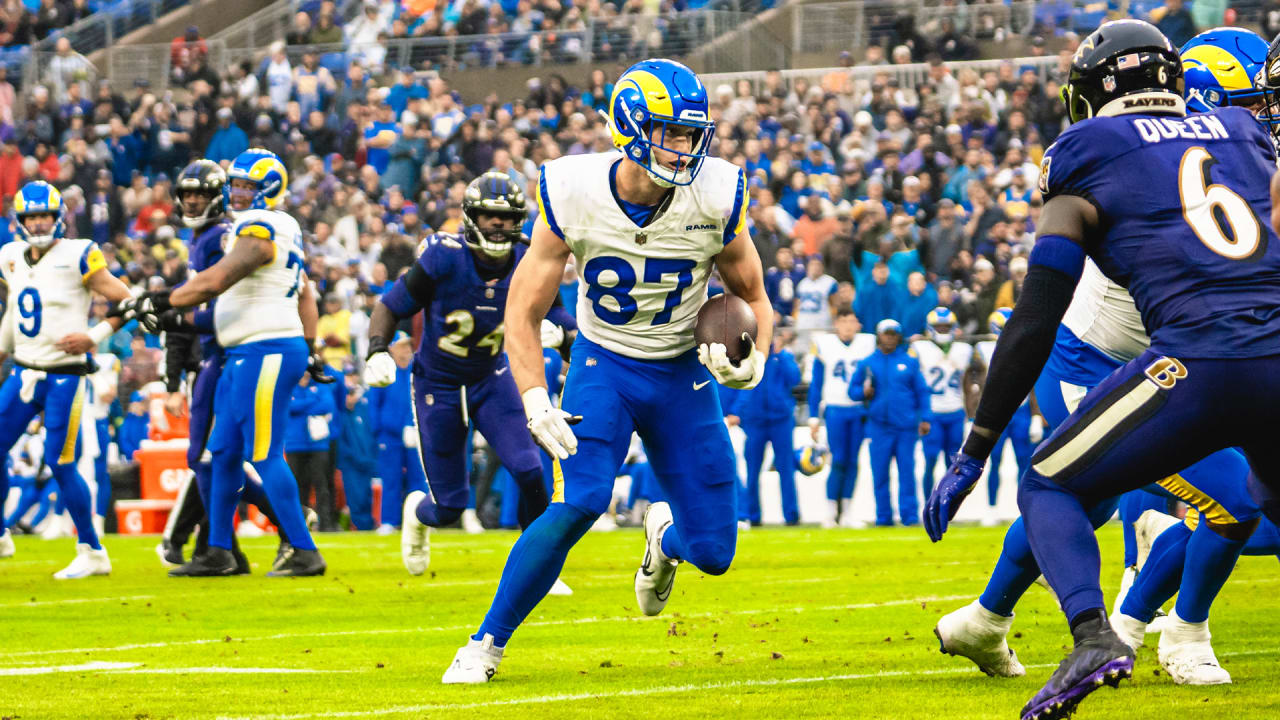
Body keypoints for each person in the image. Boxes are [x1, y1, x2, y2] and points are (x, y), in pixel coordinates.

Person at [924, 21, 1280, 719]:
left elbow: (1032, 314)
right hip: (1109, 358)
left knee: (1055, 484)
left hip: (1186, 364)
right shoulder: (1243, 140)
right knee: (1202, 502)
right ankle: (1141, 625)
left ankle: (1091, 632)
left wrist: (976, 447)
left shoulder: (1085, 151)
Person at [442, 59, 772, 683]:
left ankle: (664, 540)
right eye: (670, 133)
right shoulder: (574, 188)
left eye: (691, 135)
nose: (684, 148)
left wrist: (753, 361)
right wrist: (536, 396)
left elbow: (753, 297)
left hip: (683, 372)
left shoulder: (717, 192)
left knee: (715, 553)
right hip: (604, 362)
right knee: (581, 499)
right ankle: (485, 643)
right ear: (628, 126)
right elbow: (524, 307)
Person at [119, 148, 330, 577]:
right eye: (234, 184)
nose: (236, 192)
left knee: (266, 454)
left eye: (247, 186)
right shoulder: (272, 225)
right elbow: (303, 291)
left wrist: (162, 299)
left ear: (268, 189)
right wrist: (309, 346)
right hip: (248, 351)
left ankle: (304, 549)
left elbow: (217, 279)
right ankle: (217, 550)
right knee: (221, 453)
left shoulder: (261, 226)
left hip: (264, 348)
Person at [363, 172, 574, 582]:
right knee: (450, 507)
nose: (499, 226)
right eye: (489, 217)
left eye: (507, 217)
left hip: (492, 376)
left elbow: (561, 316)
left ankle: (536, 569)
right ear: (470, 217)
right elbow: (390, 306)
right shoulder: (443, 256)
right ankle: (418, 514)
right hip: (437, 382)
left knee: (530, 469)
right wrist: (376, 349)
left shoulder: (528, 260)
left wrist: (560, 332)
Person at [0, 181, 134, 576]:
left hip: (65, 374)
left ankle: (92, 550)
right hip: (24, 370)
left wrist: (94, 336)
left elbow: (126, 298)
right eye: (31, 216)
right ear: (19, 221)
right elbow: (14, 310)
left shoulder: (79, 253)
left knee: (61, 463)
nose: (38, 222)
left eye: (44, 215)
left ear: (59, 217)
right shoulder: (10, 255)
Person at [849, 319, 929, 526]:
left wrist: (926, 417)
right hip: (878, 426)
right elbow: (852, 391)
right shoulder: (867, 363)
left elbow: (922, 391)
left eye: (894, 334)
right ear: (879, 335)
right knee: (880, 474)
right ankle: (883, 516)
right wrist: (863, 392)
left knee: (907, 473)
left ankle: (909, 516)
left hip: (905, 427)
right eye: (887, 333)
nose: (890, 337)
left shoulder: (909, 362)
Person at [724, 324, 801, 526]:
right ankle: (753, 516)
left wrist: (782, 354)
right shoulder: (748, 356)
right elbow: (742, 386)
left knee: (786, 468)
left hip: (781, 420)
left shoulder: (783, 356)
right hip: (755, 421)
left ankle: (791, 515)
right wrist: (739, 411)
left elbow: (794, 378)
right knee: (752, 471)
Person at [807, 308, 875, 527]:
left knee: (853, 461)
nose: (847, 326)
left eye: (851, 321)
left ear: (858, 325)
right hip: (835, 409)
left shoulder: (868, 343)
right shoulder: (825, 345)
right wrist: (813, 418)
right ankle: (830, 511)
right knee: (837, 460)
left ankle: (847, 511)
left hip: (858, 410)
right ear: (836, 324)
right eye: (843, 321)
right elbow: (816, 384)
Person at [975, 308, 1041, 525]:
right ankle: (991, 507)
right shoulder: (983, 349)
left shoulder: (1029, 347)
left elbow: (1034, 385)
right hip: (997, 412)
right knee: (993, 461)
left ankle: (1023, 507)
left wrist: (1036, 416)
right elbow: (975, 385)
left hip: (1020, 412)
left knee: (1025, 462)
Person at [913, 307, 981, 501]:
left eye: (946, 327)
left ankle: (945, 503)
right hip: (932, 412)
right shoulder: (919, 348)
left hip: (955, 411)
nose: (943, 330)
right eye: (939, 327)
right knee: (930, 459)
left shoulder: (965, 350)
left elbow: (969, 384)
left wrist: (971, 414)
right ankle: (928, 502)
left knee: (953, 464)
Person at [365, 331, 426, 534]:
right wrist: (379, 432)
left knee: (419, 478)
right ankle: (389, 520)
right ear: (391, 348)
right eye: (402, 346)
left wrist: (418, 427)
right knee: (390, 479)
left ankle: (420, 519)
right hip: (389, 437)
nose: (407, 350)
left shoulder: (416, 371)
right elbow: (374, 404)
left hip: (414, 433)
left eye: (408, 346)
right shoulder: (385, 371)